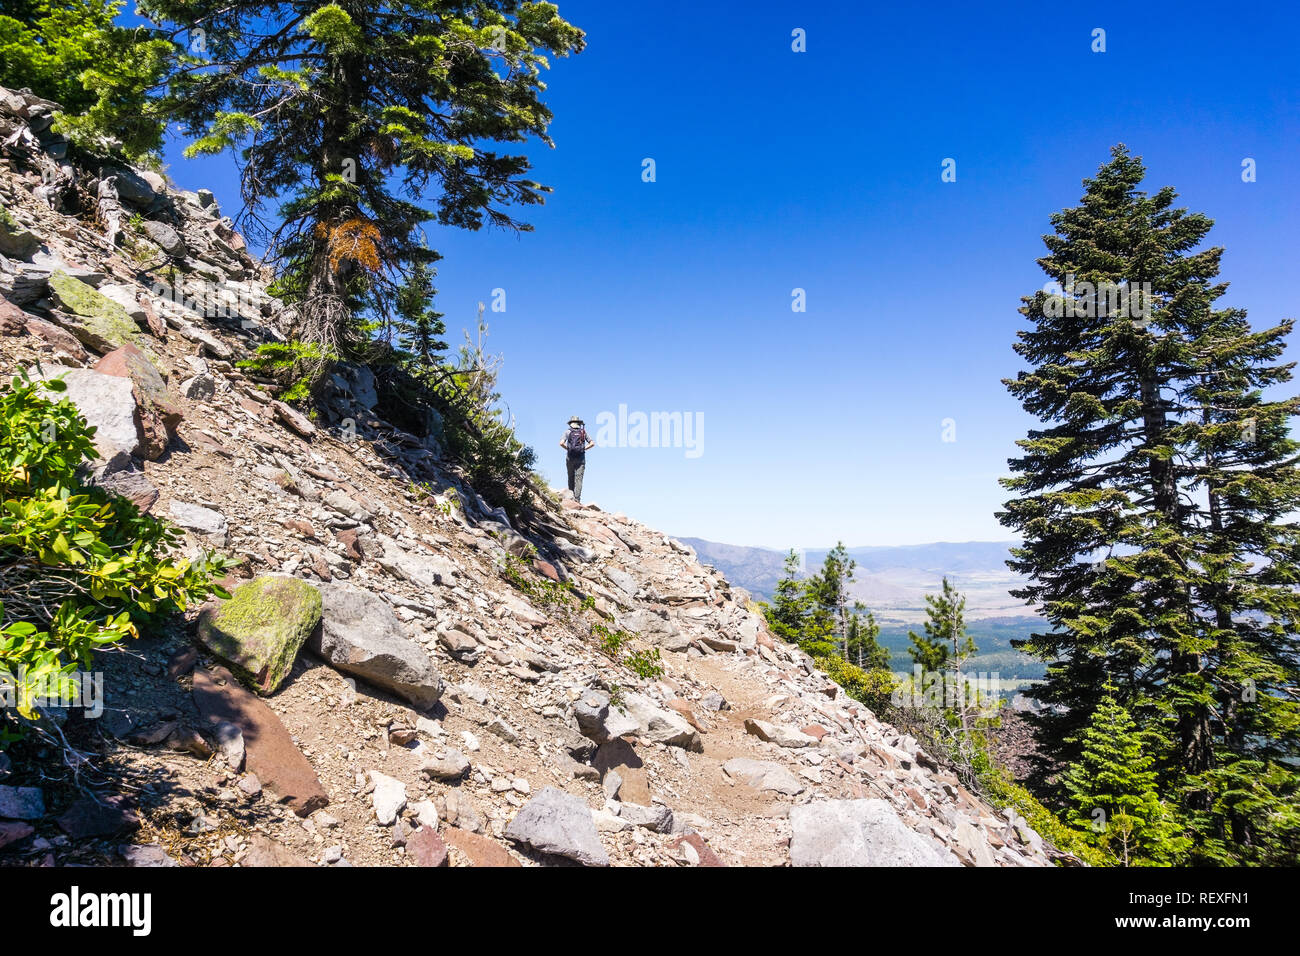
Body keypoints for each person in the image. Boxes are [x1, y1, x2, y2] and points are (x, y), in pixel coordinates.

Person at [559, 415, 595, 502]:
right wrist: (583, 448)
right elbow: (592, 443)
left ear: (571, 423)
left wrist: (568, 449)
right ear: (579, 423)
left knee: (570, 476)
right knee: (579, 479)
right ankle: (577, 499)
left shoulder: (567, 432)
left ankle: (570, 497)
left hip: (570, 457)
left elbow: (561, 443)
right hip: (581, 458)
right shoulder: (583, 432)